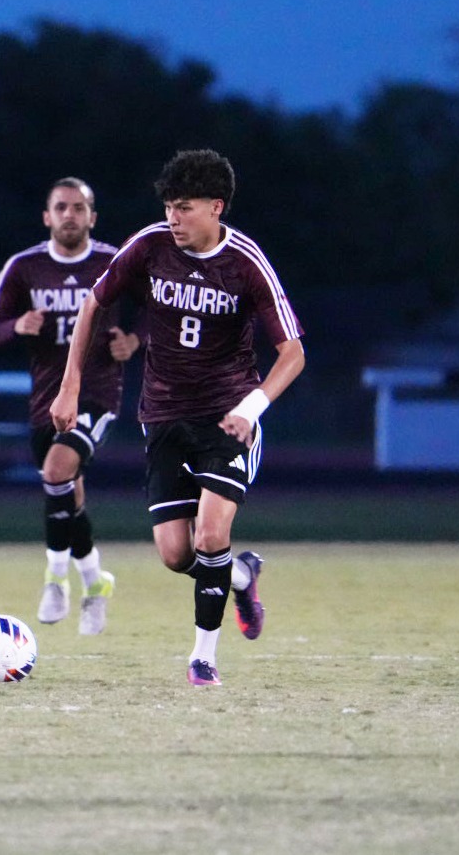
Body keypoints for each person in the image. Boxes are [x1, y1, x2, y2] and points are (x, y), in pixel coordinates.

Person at [50, 150, 305, 685]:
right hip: (164, 416)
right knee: (175, 553)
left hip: (227, 419)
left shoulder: (247, 263)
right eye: (168, 206)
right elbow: (94, 304)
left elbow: (293, 353)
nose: (173, 218)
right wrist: (70, 383)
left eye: (184, 208)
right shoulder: (148, 246)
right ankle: (241, 574)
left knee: (212, 533)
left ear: (217, 208)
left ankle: (203, 659)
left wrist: (252, 406)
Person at [0, 177, 142, 635]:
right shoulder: (25, 267)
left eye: (79, 207)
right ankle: (96, 580)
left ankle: (55, 579)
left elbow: (160, 309)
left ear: (93, 216)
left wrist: (136, 339)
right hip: (46, 398)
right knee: (66, 494)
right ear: (46, 216)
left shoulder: (114, 262)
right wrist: (18, 326)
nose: (70, 215)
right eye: (61, 207)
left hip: (97, 392)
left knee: (56, 471)